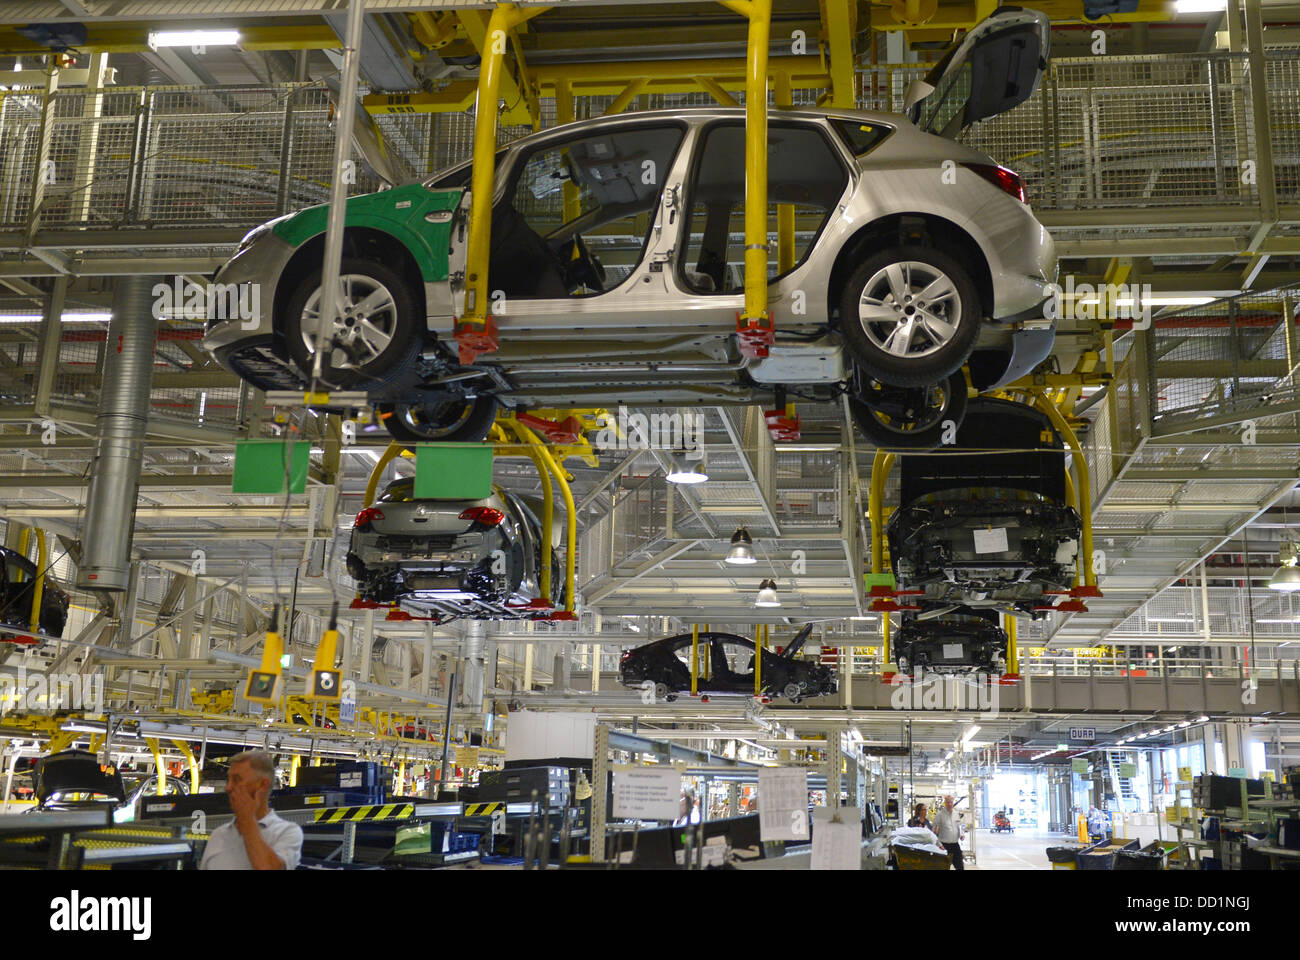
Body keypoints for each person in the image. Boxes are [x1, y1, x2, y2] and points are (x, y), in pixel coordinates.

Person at [199, 750, 303, 870]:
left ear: (263, 785)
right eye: (229, 780)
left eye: (237, 780)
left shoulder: (287, 833)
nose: (228, 787)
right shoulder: (218, 835)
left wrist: (247, 819)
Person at [933, 795, 964, 871]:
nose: (949, 804)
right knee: (943, 867)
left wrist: (962, 834)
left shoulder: (956, 814)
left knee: (960, 866)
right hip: (944, 846)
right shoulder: (939, 815)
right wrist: (939, 845)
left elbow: (959, 826)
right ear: (945, 803)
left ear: (953, 802)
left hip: (955, 845)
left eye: (951, 802)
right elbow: (933, 832)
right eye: (947, 802)